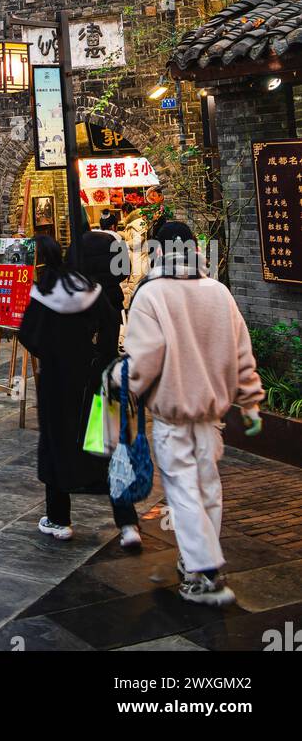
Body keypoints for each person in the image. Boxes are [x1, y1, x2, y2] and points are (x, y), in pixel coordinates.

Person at [121, 220, 264, 608]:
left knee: (183, 491)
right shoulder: (219, 292)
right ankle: (197, 563)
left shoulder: (151, 295)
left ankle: (204, 574)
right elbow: (242, 354)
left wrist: (123, 392)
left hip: (172, 416)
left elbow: (142, 362)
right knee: (208, 488)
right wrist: (250, 402)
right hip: (211, 418)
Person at [17, 235, 142, 550]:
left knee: (57, 447)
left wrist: (54, 354)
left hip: (58, 383)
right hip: (98, 381)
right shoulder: (97, 293)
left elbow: (29, 336)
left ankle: (60, 521)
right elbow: (111, 334)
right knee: (110, 450)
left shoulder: (45, 292)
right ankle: (128, 524)